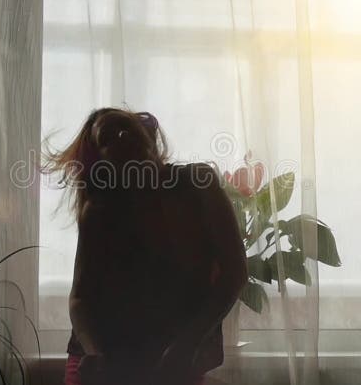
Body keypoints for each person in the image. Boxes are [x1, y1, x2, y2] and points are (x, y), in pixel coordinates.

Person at [42, 108, 248, 385]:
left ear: (149, 135)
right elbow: (80, 298)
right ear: (102, 162)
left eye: (126, 126)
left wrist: (188, 343)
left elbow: (234, 273)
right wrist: (94, 353)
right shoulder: (101, 210)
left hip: (174, 359)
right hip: (103, 361)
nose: (122, 135)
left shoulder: (199, 185)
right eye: (108, 137)